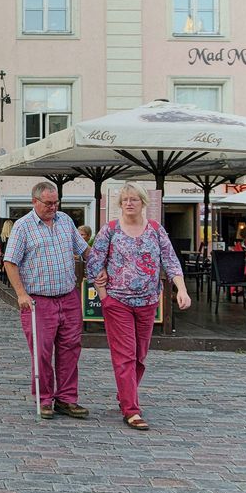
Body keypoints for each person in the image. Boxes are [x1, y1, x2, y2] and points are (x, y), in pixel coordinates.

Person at [86, 183, 190, 431]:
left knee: (140, 356)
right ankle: (131, 410)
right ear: (120, 204)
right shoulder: (110, 230)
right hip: (117, 301)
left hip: (148, 301)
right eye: (125, 200)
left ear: (143, 203)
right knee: (125, 356)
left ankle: (125, 393)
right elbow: (94, 262)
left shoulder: (155, 230)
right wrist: (103, 296)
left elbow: (170, 260)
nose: (129, 203)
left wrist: (181, 289)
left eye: (134, 200)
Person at [2, 181, 91, 421]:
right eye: (48, 203)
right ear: (35, 202)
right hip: (39, 301)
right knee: (42, 352)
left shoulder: (65, 221)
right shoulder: (23, 226)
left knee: (70, 349)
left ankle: (67, 399)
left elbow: (84, 251)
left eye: (56, 202)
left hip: (68, 296)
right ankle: (44, 399)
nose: (53, 207)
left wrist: (104, 264)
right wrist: (21, 293)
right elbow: (10, 262)